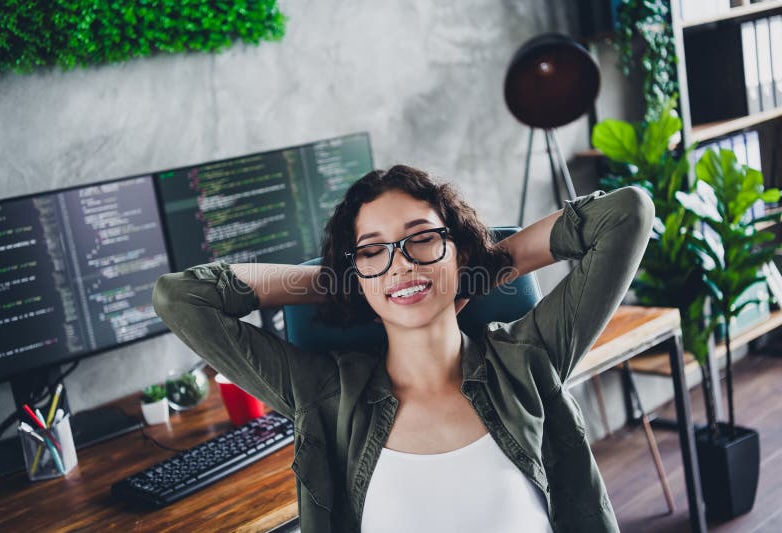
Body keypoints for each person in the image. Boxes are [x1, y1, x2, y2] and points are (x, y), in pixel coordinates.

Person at [152, 164, 654, 532]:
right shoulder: (327, 393)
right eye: (372, 250)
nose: (401, 265)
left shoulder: (526, 359)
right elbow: (182, 297)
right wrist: (347, 284)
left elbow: (626, 213)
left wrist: (479, 268)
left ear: (457, 250)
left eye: (422, 239)